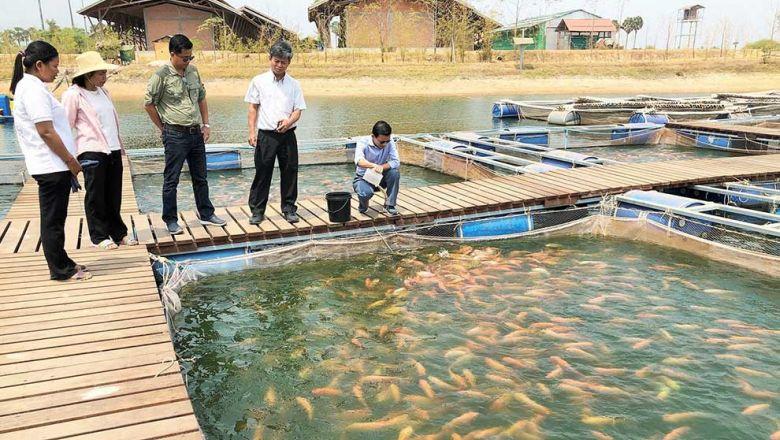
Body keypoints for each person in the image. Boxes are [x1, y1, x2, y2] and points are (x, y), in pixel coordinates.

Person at [10, 41, 91, 281]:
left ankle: (63, 260)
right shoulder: (32, 90)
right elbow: (45, 131)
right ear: (39, 65)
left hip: (52, 164)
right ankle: (60, 270)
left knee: (56, 217)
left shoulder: (32, 87)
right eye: (54, 66)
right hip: (51, 165)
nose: (57, 70)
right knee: (53, 220)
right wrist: (70, 161)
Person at [144, 34, 225, 234]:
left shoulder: (193, 72)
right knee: (172, 179)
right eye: (184, 58)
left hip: (195, 132)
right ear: (173, 55)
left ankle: (206, 213)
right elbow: (149, 104)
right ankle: (170, 219)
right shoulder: (160, 76)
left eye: (190, 57)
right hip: (175, 134)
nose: (187, 61)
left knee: (201, 176)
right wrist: (163, 128)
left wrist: (206, 124)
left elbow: (202, 98)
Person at [62, 51, 137, 249]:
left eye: (105, 73)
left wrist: (121, 149)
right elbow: (66, 126)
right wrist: (69, 158)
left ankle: (119, 233)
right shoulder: (73, 95)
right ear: (88, 75)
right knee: (96, 195)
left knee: (114, 194)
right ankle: (99, 236)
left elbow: (111, 123)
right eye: (100, 74)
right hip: (91, 150)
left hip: (112, 149)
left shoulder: (104, 92)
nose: (104, 77)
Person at [245, 40, 307, 225]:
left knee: (290, 172)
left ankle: (289, 209)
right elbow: (253, 108)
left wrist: (288, 121)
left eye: (283, 62)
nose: (279, 65)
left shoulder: (294, 84)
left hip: (288, 134)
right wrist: (251, 132)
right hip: (266, 135)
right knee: (262, 173)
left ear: (289, 62)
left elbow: (298, 110)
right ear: (270, 59)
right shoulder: (259, 81)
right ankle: (257, 211)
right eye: (276, 61)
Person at [353, 121, 401, 216]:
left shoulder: (389, 142)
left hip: (380, 178)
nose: (385, 144)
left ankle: (389, 205)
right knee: (365, 194)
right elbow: (359, 161)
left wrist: (381, 167)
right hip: (364, 178)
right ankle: (363, 206)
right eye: (382, 142)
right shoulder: (363, 142)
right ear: (373, 136)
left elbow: (396, 161)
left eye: (387, 141)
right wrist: (374, 166)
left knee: (394, 173)